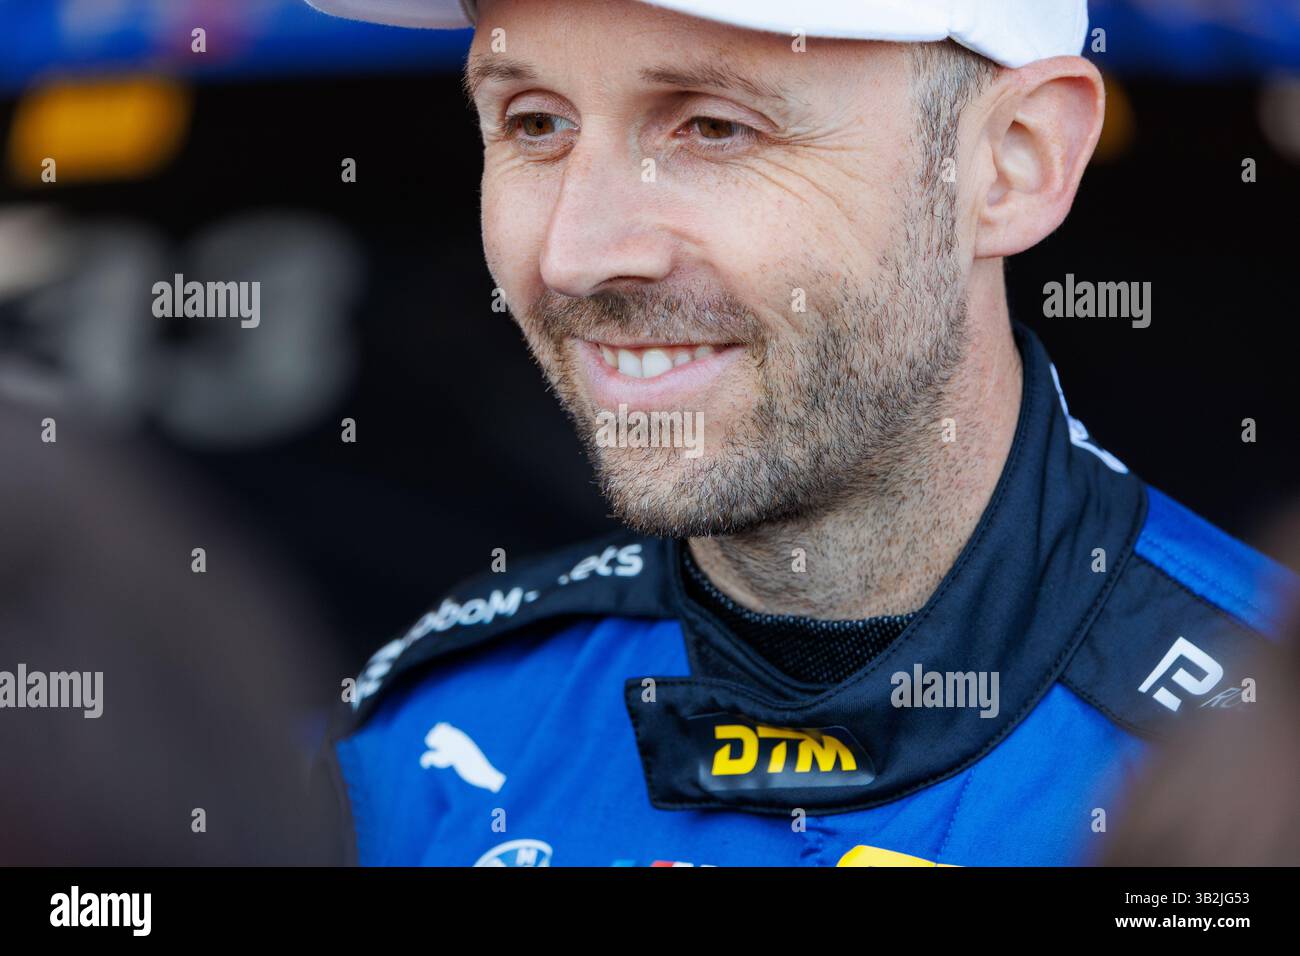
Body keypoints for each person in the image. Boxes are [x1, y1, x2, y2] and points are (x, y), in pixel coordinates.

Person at [304, 0, 1295, 866]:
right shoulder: (418, 744)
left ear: (1013, 161)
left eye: (714, 126)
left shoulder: (1259, 763)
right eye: (535, 122)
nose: (577, 253)